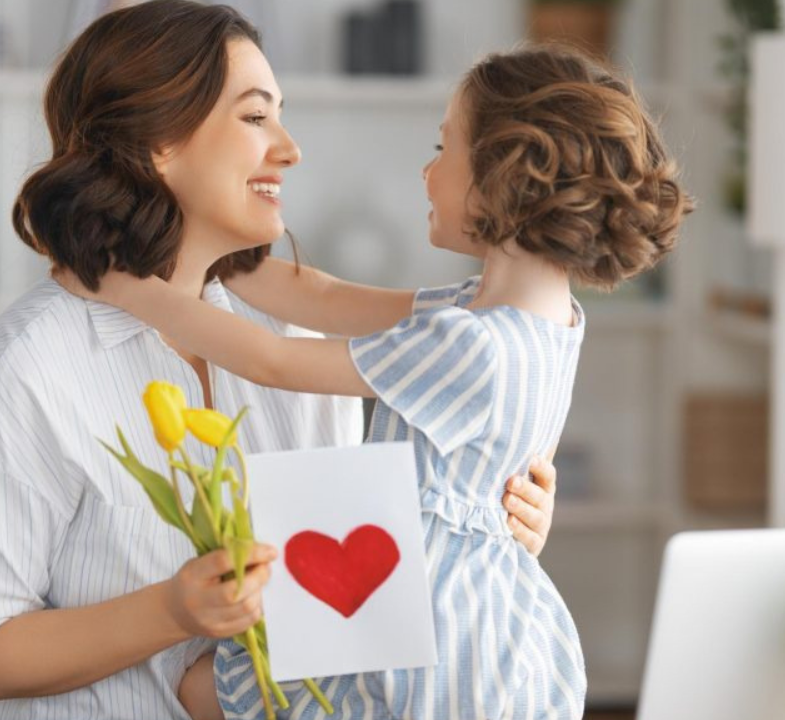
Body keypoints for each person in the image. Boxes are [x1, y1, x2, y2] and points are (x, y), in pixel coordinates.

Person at [0, 3, 558, 719]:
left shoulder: (297, 340)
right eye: (257, 118)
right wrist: (172, 610)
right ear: (160, 139)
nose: (289, 149)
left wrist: (482, 524)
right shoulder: (30, 365)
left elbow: (343, 611)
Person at [60, 39, 693, 720]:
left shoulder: (470, 344)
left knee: (201, 687)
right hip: (453, 607)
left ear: (505, 175)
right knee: (207, 686)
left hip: (431, 626)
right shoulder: (524, 320)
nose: (427, 172)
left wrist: (134, 290)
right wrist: (214, 248)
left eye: (443, 148)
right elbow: (327, 300)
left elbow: (271, 361)